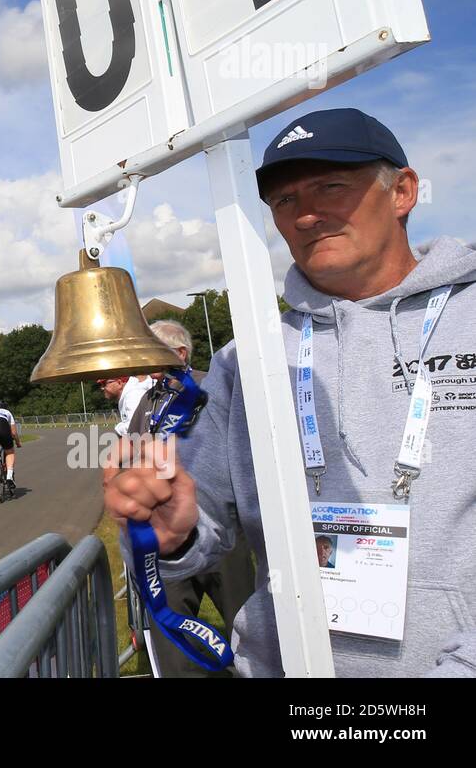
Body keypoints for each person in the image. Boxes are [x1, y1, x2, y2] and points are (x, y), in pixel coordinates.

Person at [103, 107, 476, 677]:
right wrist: (174, 536)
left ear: (403, 191)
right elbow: (201, 526)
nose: (305, 214)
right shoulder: (245, 361)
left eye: (331, 186)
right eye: (283, 200)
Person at [126, 320, 255, 678]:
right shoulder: (148, 401)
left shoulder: (213, 387)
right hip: (167, 536)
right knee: (171, 639)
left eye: (153, 350)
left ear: (180, 353)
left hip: (222, 532)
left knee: (249, 626)